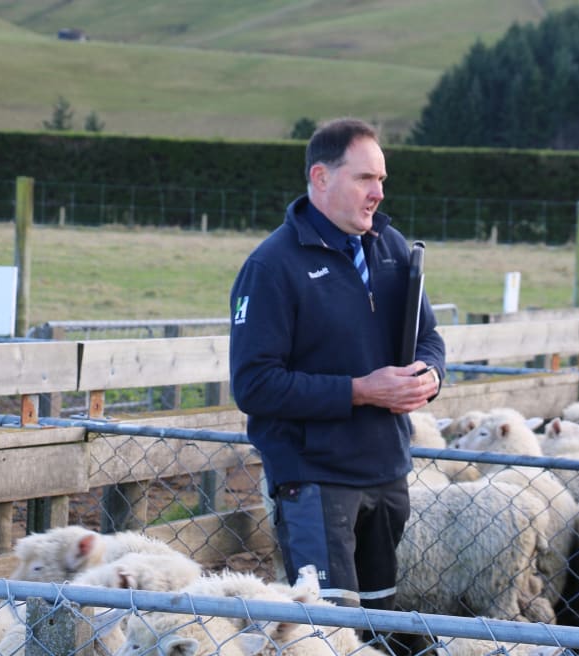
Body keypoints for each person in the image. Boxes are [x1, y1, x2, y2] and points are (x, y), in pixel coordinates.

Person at [228, 117, 446, 611]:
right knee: (329, 630)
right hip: (315, 480)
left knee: (380, 623)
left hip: (387, 472)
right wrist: (360, 390)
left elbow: (429, 338)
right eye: (365, 178)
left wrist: (429, 377)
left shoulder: (391, 248)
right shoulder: (272, 266)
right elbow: (255, 384)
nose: (378, 193)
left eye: (381, 179)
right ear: (321, 177)